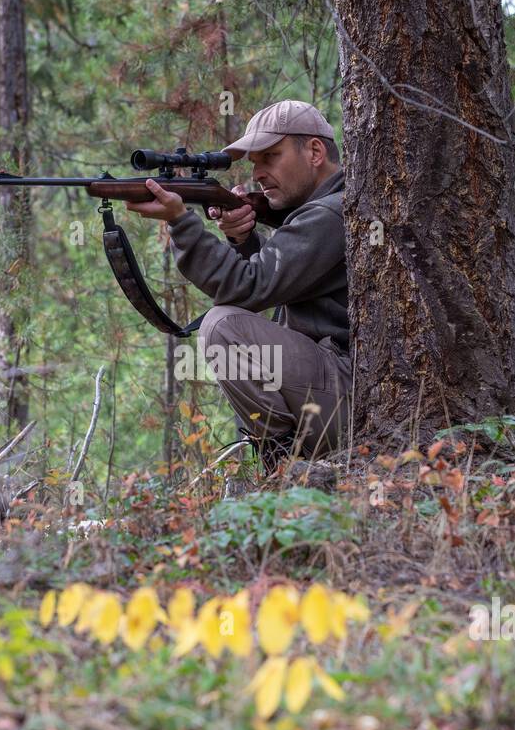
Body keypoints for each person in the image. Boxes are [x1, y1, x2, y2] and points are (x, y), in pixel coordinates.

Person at [124, 99, 349, 474]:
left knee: (220, 326)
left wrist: (182, 222)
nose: (258, 173)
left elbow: (248, 289)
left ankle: (284, 467)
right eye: (254, 162)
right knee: (227, 324)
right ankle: (291, 467)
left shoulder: (330, 213)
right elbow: (273, 288)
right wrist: (243, 239)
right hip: (338, 390)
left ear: (314, 151)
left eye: (270, 157)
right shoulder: (330, 208)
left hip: (350, 395)